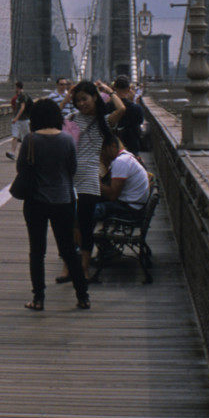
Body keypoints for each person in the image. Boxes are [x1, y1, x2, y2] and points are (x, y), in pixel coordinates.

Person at [12, 98, 90, 311]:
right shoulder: (66, 140)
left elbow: (21, 168)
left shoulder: (30, 139)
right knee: (68, 250)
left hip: (35, 202)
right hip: (63, 200)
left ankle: (38, 299)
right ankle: (83, 296)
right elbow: (72, 169)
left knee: (37, 252)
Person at [56, 79, 125, 284]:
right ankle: (68, 265)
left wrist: (108, 90)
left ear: (95, 97)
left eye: (85, 99)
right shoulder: (71, 118)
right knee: (68, 225)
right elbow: (52, 121)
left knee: (85, 225)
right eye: (78, 101)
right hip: (69, 176)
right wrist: (67, 97)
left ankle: (84, 269)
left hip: (90, 177)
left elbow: (121, 109)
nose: (82, 104)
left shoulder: (103, 121)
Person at [96, 136, 151, 226]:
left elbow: (112, 195)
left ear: (112, 146)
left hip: (130, 210)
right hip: (135, 206)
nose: (102, 156)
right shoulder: (127, 156)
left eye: (103, 151)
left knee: (90, 210)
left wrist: (95, 182)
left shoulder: (121, 161)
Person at [111, 76, 146, 159]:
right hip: (132, 147)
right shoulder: (136, 108)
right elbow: (140, 121)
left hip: (113, 148)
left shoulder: (107, 106)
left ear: (114, 88)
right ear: (129, 89)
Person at [6, 81, 29, 160]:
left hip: (23, 120)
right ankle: (12, 153)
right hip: (17, 120)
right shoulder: (18, 96)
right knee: (15, 136)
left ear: (17, 87)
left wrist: (16, 118)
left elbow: (22, 107)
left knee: (25, 138)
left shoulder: (23, 95)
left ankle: (27, 154)